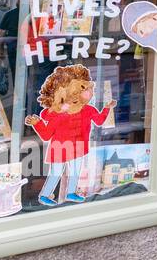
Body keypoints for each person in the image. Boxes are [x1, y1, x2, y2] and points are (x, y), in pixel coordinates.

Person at [26, 65, 111, 206]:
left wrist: (107, 108)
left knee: (75, 171)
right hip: (60, 148)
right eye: (83, 88)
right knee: (56, 172)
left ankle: (71, 192)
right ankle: (45, 195)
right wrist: (37, 123)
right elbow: (46, 135)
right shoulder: (57, 114)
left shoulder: (87, 110)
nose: (89, 92)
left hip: (78, 146)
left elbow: (99, 120)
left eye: (88, 88)